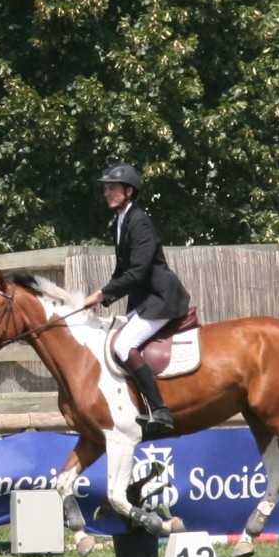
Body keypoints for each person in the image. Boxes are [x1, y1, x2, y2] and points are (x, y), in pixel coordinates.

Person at [83, 163, 190, 438]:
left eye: (112, 188)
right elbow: (122, 271)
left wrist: (103, 295)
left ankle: (159, 410)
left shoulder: (139, 221)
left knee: (124, 344)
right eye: (105, 188)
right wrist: (101, 294)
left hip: (162, 298)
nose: (106, 193)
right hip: (144, 300)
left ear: (128, 191)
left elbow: (138, 271)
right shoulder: (120, 222)